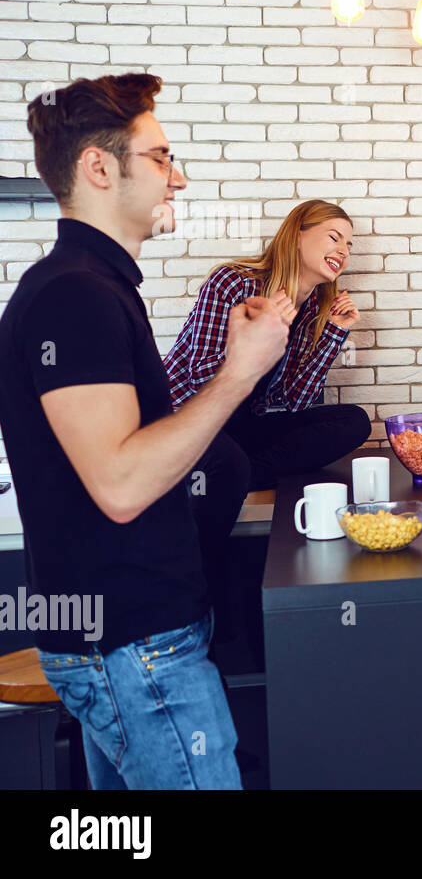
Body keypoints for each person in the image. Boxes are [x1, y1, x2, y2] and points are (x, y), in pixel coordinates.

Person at [0, 73, 290, 788]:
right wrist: (237, 374)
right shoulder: (75, 296)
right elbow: (122, 483)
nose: (178, 178)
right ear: (98, 168)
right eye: (160, 157)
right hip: (136, 650)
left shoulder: (94, 287)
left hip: (129, 646)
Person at [163, 201, 371, 643]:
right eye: (335, 237)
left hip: (240, 424)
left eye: (350, 245)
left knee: (352, 422)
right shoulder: (235, 282)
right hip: (190, 416)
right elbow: (202, 376)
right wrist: (265, 332)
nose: (345, 251)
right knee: (230, 465)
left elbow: (289, 401)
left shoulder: (314, 304)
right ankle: (190, 596)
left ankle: (242, 470)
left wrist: (333, 332)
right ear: (296, 233)